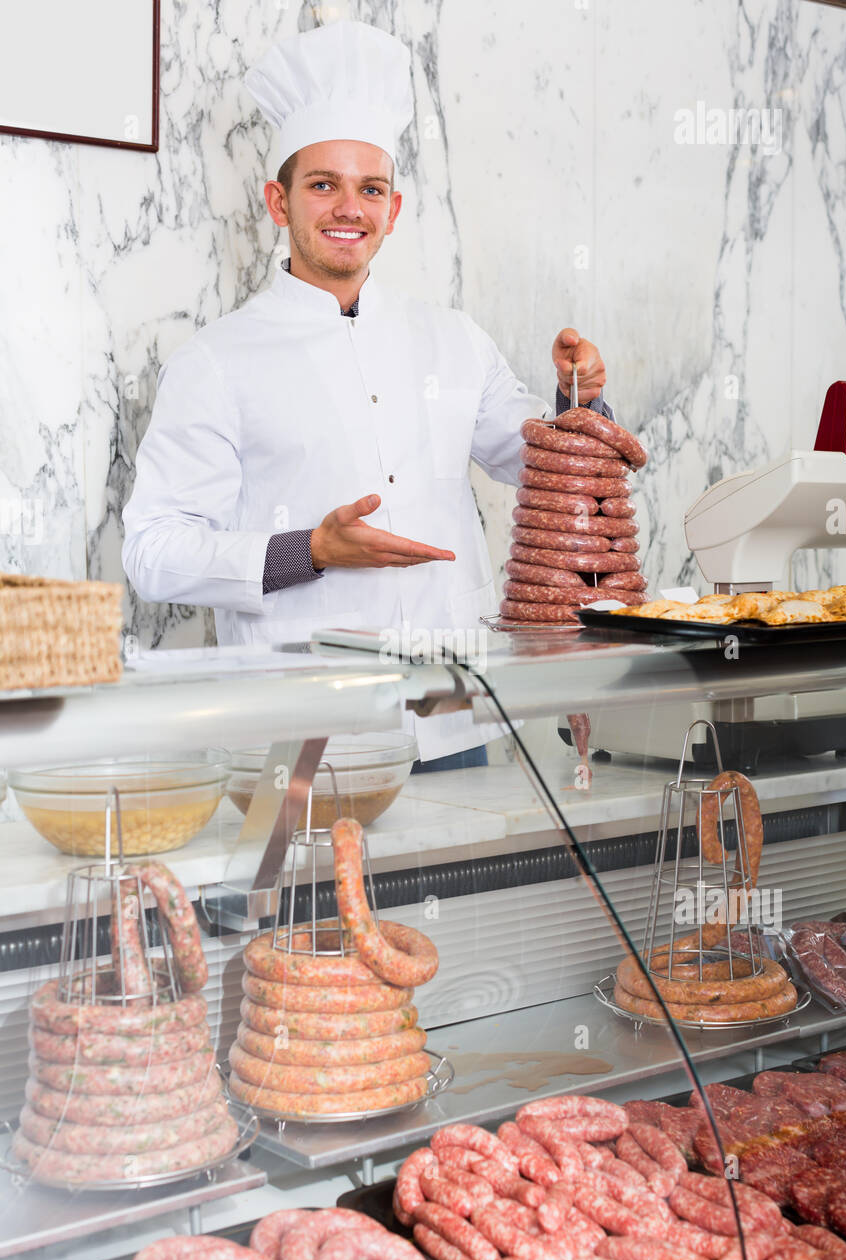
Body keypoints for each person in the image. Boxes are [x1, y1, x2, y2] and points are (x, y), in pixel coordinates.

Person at [122, 20, 611, 771]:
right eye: (323, 185)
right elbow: (152, 552)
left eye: (370, 188)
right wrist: (308, 551)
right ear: (278, 203)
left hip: (454, 718)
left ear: (394, 209)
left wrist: (578, 396)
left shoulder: (454, 339)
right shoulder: (215, 363)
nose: (348, 207)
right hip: (308, 730)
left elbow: (546, 468)